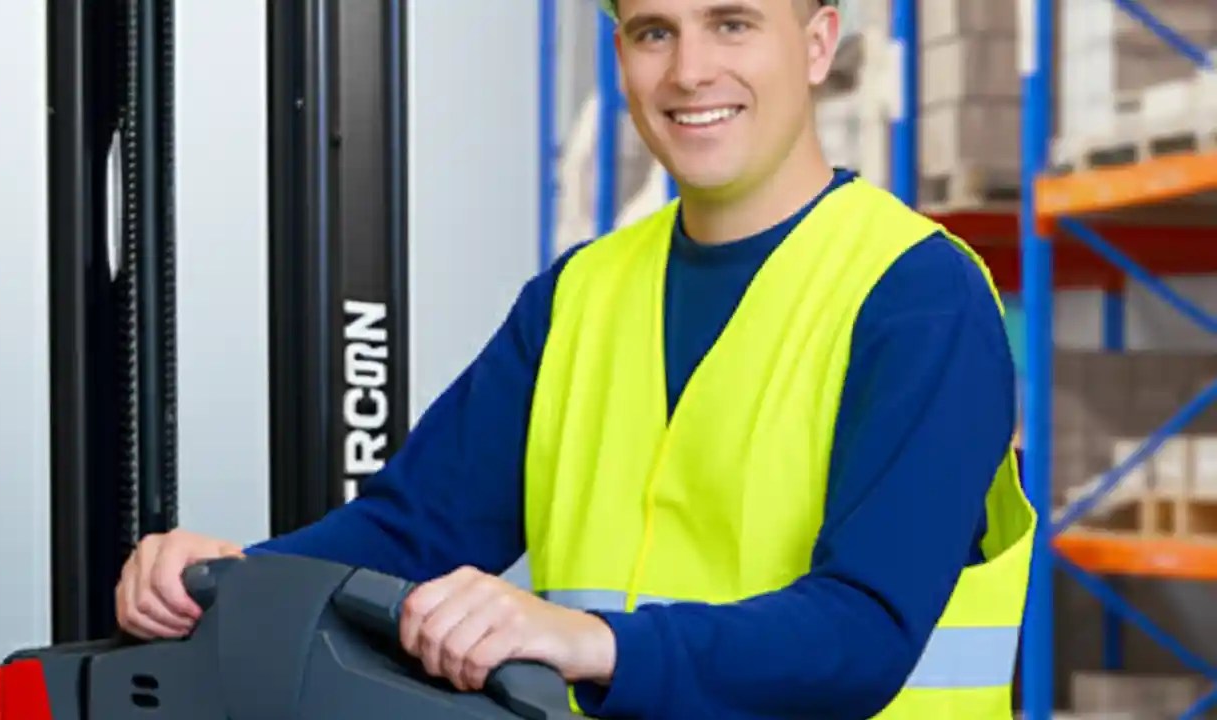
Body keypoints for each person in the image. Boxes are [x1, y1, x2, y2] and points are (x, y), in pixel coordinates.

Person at [116, 0, 1036, 717]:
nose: (690, 71)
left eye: (733, 23)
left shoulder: (920, 296)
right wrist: (231, 576)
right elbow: (410, 534)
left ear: (816, 43)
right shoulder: (578, 296)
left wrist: (592, 642)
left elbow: (863, 632)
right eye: (652, 32)